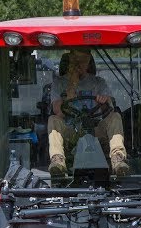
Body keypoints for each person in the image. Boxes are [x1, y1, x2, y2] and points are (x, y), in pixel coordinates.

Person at [47, 49, 130, 178]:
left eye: (83, 61)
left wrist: (104, 102)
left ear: (89, 64)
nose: (79, 65)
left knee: (115, 117)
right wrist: (72, 84)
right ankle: (58, 161)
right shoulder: (59, 83)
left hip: (96, 130)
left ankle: (118, 159)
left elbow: (110, 110)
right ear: (70, 62)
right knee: (53, 119)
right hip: (71, 132)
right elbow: (58, 112)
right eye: (76, 61)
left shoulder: (99, 82)